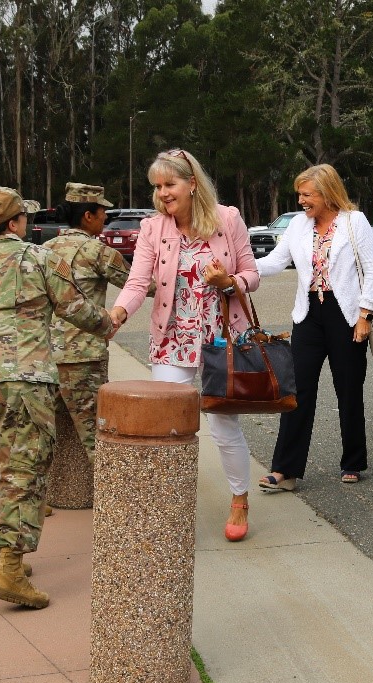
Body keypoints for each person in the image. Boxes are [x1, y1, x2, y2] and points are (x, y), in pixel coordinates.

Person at [0, 186, 112, 609]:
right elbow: (76, 308)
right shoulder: (37, 259)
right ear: (14, 223)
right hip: (23, 381)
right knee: (22, 472)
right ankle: (11, 569)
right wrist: (107, 323)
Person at [107, 149, 259, 542]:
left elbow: (251, 274)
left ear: (192, 183)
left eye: (169, 184)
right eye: (156, 187)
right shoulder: (153, 228)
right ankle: (166, 505)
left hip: (220, 335)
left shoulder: (228, 219)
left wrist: (228, 282)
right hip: (173, 335)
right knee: (166, 424)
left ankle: (240, 499)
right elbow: (138, 281)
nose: (162, 194)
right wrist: (119, 314)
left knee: (223, 425)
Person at [253, 164, 373, 492]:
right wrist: (238, 268)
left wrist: (365, 315)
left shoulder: (355, 222)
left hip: (346, 314)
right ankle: (286, 470)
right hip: (309, 314)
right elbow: (274, 262)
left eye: (307, 194)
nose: (301, 201)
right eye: (300, 194)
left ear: (327, 193)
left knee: (348, 389)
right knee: (297, 391)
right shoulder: (298, 225)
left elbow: (372, 269)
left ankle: (353, 461)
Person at [42, 182, 137, 471]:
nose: (105, 218)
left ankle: (35, 503)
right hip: (82, 357)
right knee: (98, 437)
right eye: (102, 212)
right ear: (88, 216)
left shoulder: (44, 249)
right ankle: (114, 507)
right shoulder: (97, 251)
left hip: (43, 357)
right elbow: (139, 284)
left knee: (38, 436)